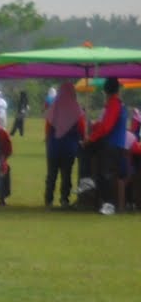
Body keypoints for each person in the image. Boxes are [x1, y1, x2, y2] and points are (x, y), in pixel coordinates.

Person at [86, 76, 130, 214]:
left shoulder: (114, 104)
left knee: (106, 175)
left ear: (106, 91)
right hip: (116, 145)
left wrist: (91, 138)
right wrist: (95, 126)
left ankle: (108, 203)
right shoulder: (117, 104)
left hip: (112, 145)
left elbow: (106, 127)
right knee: (104, 174)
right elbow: (105, 124)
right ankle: (102, 199)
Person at [44, 80, 85, 209]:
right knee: (66, 174)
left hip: (54, 146)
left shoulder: (54, 107)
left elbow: (48, 126)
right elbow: (81, 128)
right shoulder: (76, 108)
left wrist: (48, 140)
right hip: (69, 147)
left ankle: (48, 199)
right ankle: (64, 199)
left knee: (52, 174)